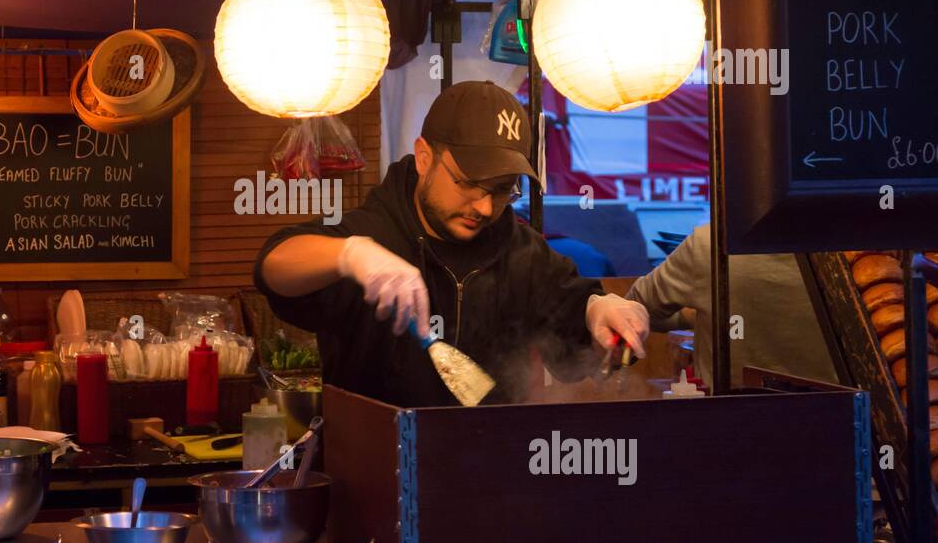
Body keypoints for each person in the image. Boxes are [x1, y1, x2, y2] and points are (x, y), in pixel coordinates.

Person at [253, 80, 650, 407]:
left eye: (500, 190)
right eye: (468, 183)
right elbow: (273, 267)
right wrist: (348, 254)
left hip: (487, 472)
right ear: (424, 156)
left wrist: (599, 310)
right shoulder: (374, 232)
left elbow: (572, 338)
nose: (483, 206)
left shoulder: (521, 251)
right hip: (373, 473)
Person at [625, 223, 838, 389]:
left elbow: (633, 309)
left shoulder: (709, 244)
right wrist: (699, 315)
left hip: (729, 423)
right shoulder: (856, 247)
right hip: (842, 422)